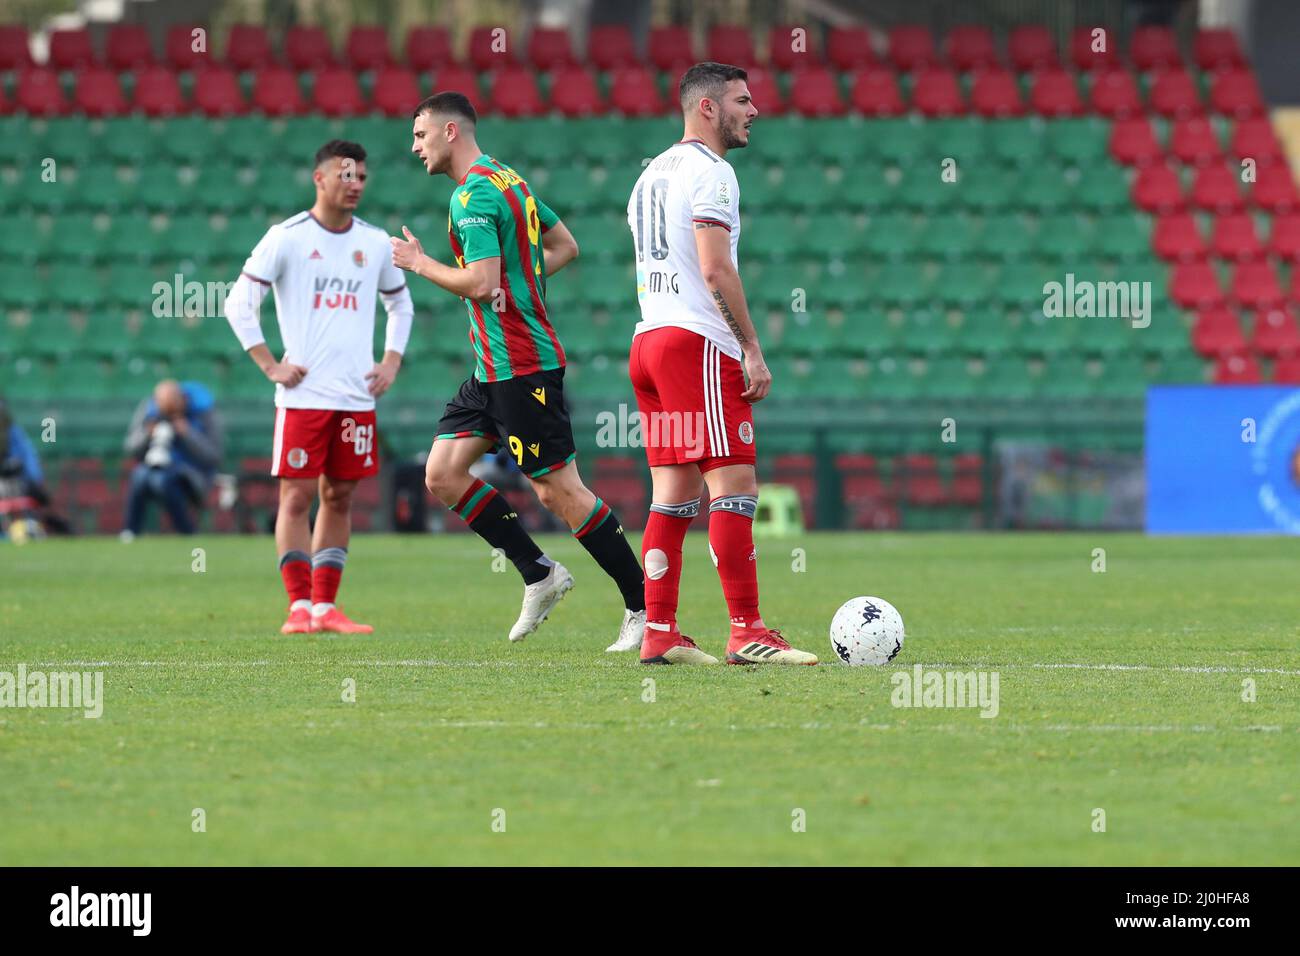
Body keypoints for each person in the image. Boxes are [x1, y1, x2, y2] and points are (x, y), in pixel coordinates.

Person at [390, 92, 646, 648]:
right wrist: (520, 284)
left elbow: (481, 282)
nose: (415, 147)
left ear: (451, 131)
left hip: (522, 367)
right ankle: (539, 572)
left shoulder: (473, 194)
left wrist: (420, 263)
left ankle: (645, 608)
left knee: (559, 492)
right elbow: (565, 245)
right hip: (490, 369)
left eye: (420, 135)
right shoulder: (510, 180)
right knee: (441, 474)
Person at [625, 62, 818, 665]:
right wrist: (751, 349)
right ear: (706, 108)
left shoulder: (649, 175)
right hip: (696, 343)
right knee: (735, 488)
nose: (753, 109)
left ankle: (659, 630)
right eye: (741, 99)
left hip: (650, 343)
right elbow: (714, 269)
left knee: (673, 496)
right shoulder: (714, 173)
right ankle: (747, 629)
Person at [223, 140, 414, 635]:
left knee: (342, 496)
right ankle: (298, 606)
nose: (354, 185)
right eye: (345, 175)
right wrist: (270, 366)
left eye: (362, 178)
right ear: (319, 178)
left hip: (355, 397)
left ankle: (326, 607)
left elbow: (400, 304)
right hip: (304, 397)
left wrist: (391, 360)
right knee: (294, 498)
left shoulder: (374, 243)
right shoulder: (285, 237)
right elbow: (238, 304)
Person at [122, 379, 223, 538]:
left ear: (182, 400)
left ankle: (187, 531)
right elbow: (130, 448)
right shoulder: (149, 412)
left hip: (192, 475)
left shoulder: (202, 412)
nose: (169, 415)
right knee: (140, 475)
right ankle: (130, 531)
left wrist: (187, 434)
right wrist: (148, 434)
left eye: (173, 410)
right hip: (153, 470)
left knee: (161, 481)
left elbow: (213, 456)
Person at [0, 396, 72, 536]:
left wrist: (34, 478)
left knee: (39, 495)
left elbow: (27, 457)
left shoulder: (13, 431)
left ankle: (51, 523)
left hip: (16, 482)